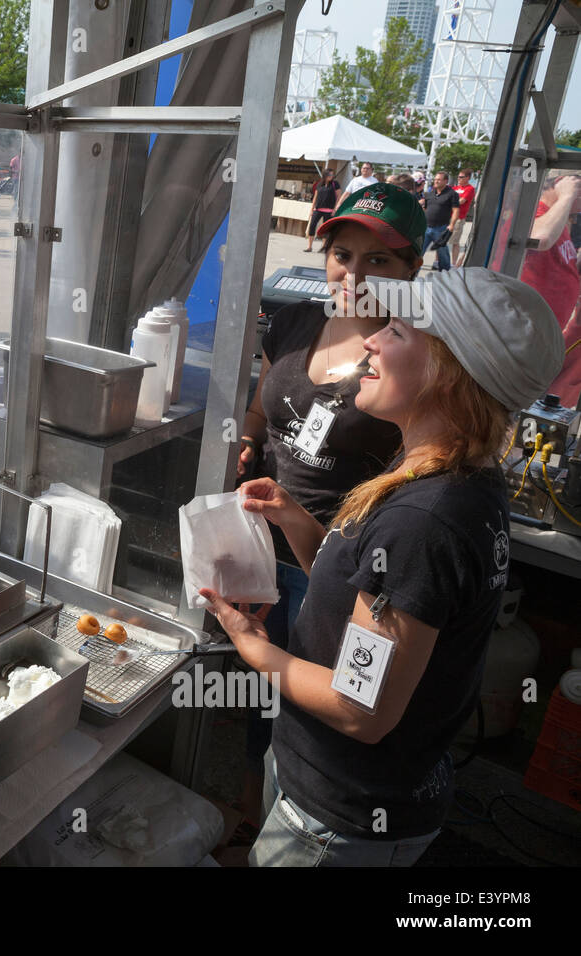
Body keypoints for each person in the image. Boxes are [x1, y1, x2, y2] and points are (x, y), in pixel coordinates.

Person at [206, 267, 563, 866]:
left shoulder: (426, 519)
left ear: (449, 373)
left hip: (339, 814)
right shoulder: (451, 474)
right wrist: (296, 519)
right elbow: (375, 590)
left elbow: (359, 708)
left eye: (395, 331)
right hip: (328, 786)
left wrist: (253, 648)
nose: (369, 340)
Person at [235, 182, 424, 825]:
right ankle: (254, 808)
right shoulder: (293, 322)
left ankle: (289, 821)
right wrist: (247, 441)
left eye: (380, 261)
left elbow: (413, 470)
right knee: (257, 691)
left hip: (331, 564)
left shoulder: (406, 355)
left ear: (413, 271)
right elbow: (263, 403)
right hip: (262, 536)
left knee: (309, 698)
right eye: (343, 254)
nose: (355, 272)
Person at [521, 174, 581, 406]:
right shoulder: (540, 212)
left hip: (547, 334)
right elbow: (539, 238)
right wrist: (566, 195)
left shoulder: (559, 216)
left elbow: (557, 259)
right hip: (528, 333)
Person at [419, 171, 459, 272]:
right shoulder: (429, 194)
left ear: (445, 181)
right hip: (426, 228)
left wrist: (452, 225)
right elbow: (425, 209)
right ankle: (413, 276)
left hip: (440, 229)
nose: (436, 181)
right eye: (435, 179)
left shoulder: (452, 194)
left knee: (443, 256)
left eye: (439, 179)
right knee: (418, 253)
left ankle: (444, 276)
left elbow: (456, 210)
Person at [303, 168, 341, 252]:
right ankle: (309, 247)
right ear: (325, 175)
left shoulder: (335, 184)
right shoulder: (319, 184)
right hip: (318, 209)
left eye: (332, 175)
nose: (332, 176)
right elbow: (315, 197)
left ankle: (324, 247)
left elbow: (338, 197)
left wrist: (335, 209)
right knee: (312, 226)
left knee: (326, 229)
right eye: (330, 175)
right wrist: (311, 209)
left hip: (329, 210)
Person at [449, 168, 476, 267]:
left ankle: (453, 264)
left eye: (461, 177)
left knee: (455, 242)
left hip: (459, 218)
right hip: (448, 216)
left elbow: (462, 201)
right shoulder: (454, 188)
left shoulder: (470, 189)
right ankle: (437, 261)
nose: (459, 178)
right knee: (441, 240)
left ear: (467, 178)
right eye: (458, 177)